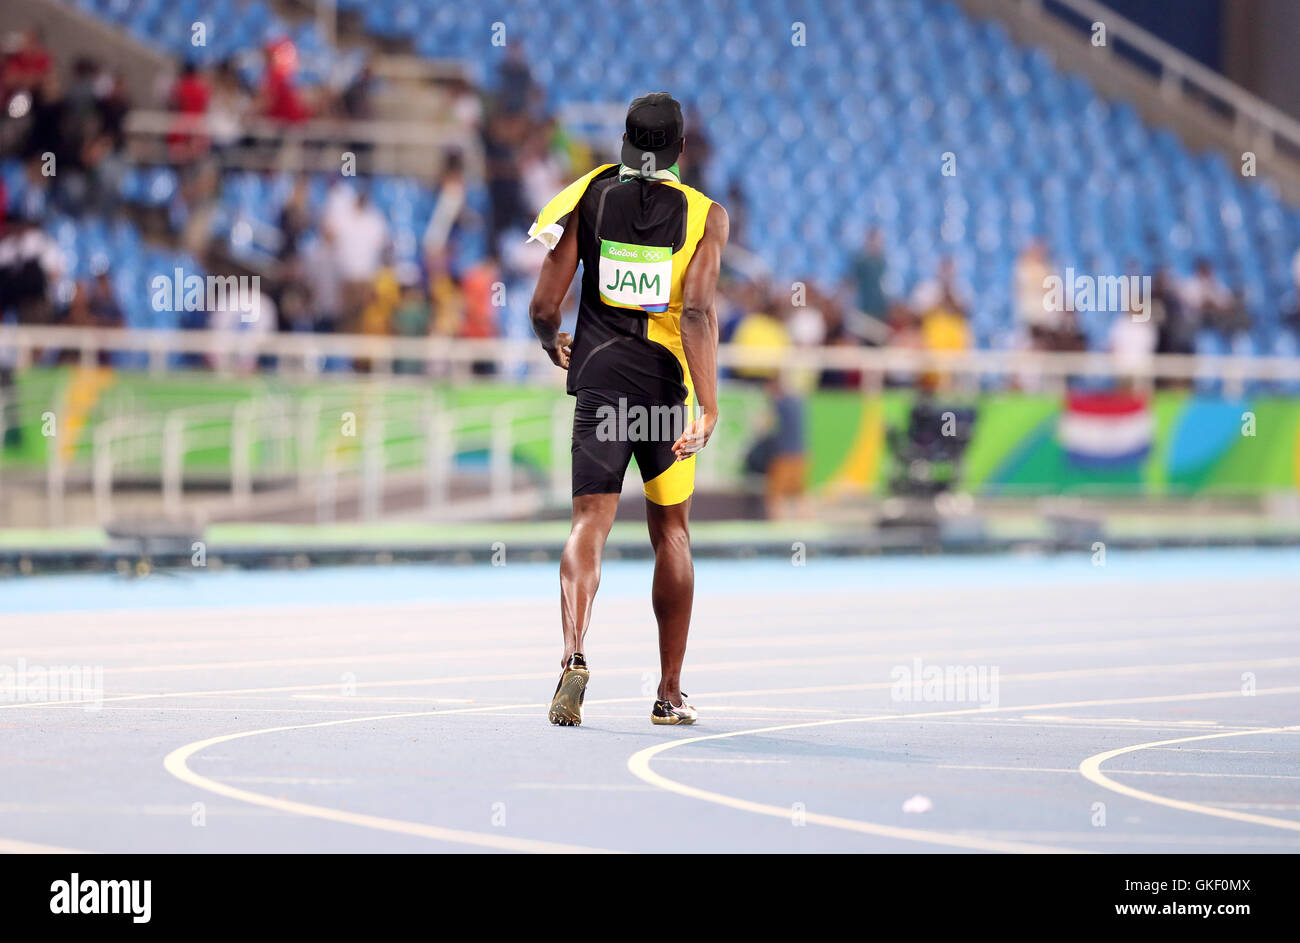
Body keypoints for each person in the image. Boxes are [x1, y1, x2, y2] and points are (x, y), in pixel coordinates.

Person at [527, 93, 728, 727]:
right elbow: (695, 314)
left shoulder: (588, 196)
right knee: (671, 532)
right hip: (665, 390)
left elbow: (542, 304)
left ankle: (573, 655)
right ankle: (668, 694)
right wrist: (709, 404)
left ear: (623, 143)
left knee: (589, 523)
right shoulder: (705, 216)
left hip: (601, 382)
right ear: (681, 150)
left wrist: (548, 338)